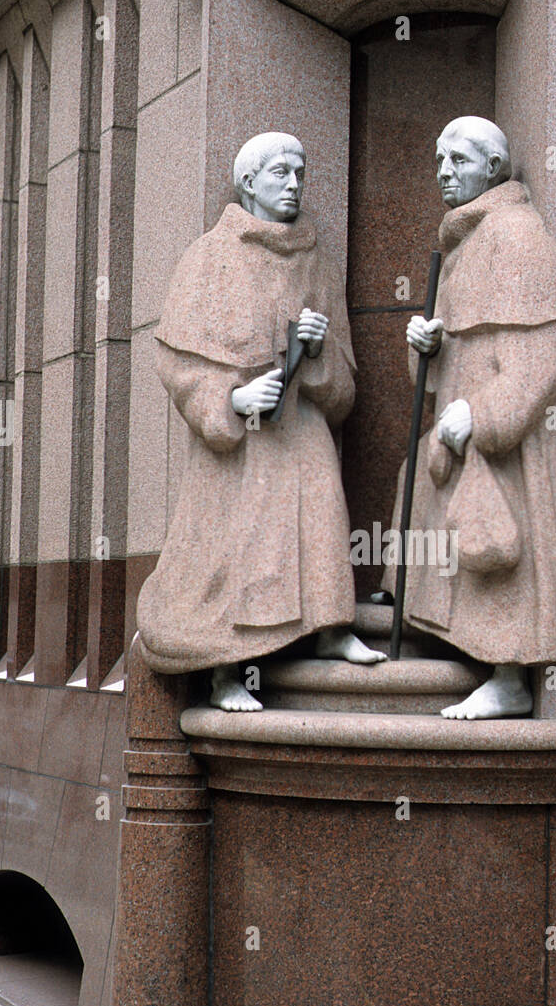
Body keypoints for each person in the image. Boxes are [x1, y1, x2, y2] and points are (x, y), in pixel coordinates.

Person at [136, 132, 384, 711]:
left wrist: (318, 355)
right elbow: (178, 362)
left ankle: (329, 629)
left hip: (300, 428)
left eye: (300, 173)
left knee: (323, 515)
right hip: (241, 441)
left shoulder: (315, 256)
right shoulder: (208, 257)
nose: (294, 185)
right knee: (232, 550)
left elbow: (344, 385)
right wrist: (232, 399)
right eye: (280, 173)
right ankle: (227, 673)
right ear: (249, 182)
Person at [382, 116, 556, 719]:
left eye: (458, 159)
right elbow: (430, 386)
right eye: (438, 159)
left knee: (504, 543)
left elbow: (539, 361)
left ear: (493, 167)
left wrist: (482, 415)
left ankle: (510, 675)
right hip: (458, 429)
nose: (443, 171)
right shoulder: (464, 244)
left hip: (492, 439)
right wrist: (426, 350)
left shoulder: (518, 234)